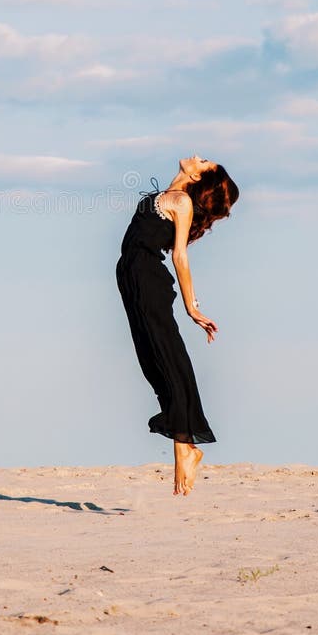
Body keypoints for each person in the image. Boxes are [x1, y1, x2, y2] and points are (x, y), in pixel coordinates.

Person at [116, 154, 239, 497]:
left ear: (199, 178)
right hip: (131, 277)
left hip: (148, 278)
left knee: (167, 355)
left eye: (204, 162)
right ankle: (183, 442)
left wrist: (191, 307)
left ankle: (185, 446)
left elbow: (180, 256)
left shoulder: (182, 201)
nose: (197, 157)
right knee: (151, 359)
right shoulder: (170, 196)